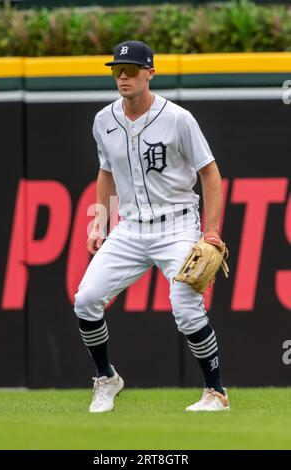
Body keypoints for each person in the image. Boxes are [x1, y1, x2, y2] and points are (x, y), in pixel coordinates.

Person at [74, 40, 230, 413]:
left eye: (130, 69)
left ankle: (216, 393)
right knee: (86, 300)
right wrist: (100, 221)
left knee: (186, 306)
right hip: (130, 228)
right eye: (117, 70)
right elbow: (106, 171)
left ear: (150, 73)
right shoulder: (103, 120)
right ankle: (107, 378)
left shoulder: (178, 118)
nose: (123, 76)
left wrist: (210, 232)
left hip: (176, 223)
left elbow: (210, 174)